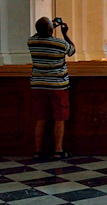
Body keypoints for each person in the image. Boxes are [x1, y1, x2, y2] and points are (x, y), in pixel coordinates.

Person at [28, 17, 75, 159]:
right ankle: (58, 150)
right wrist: (64, 33)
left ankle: (38, 151)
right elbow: (72, 50)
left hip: (38, 85)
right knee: (59, 118)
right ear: (51, 31)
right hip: (57, 86)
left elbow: (37, 34)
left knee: (40, 118)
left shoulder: (32, 42)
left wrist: (49, 26)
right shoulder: (60, 43)